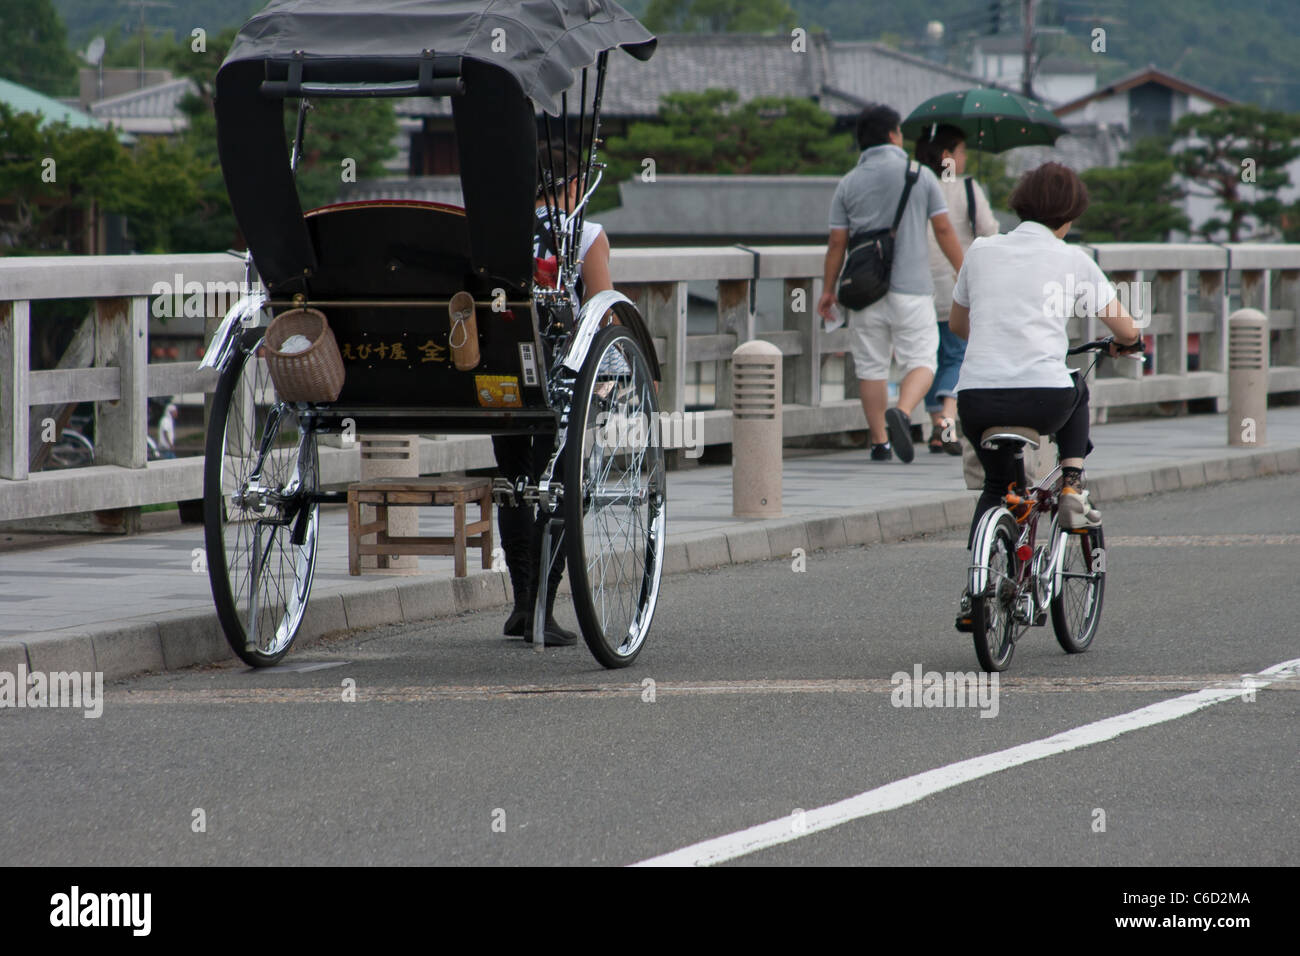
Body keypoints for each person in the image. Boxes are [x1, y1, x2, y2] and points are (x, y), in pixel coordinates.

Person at [948, 162, 1140, 561]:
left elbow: (957, 324)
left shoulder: (981, 250)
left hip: (975, 401)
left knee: (997, 486)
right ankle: (1071, 485)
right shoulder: (1073, 259)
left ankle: (978, 585)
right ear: (1070, 215)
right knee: (1078, 388)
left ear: (1021, 204)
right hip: (1043, 398)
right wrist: (1130, 343)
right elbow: (1126, 329)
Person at [493, 143, 612, 647]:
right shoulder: (584, 234)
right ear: (570, 186)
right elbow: (602, 311)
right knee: (561, 482)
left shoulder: (498, 233)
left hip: (499, 372)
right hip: (556, 379)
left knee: (515, 480)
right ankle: (543, 603)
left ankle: (522, 603)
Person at [818, 103, 965, 463]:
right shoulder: (920, 175)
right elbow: (943, 229)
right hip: (912, 289)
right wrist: (964, 269)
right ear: (893, 135)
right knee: (923, 360)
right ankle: (902, 410)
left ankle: (880, 443)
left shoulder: (848, 182)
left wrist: (827, 289)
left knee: (871, 367)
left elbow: (837, 242)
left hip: (865, 290)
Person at [913, 124, 999, 455]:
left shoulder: (915, 185)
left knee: (927, 356)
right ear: (947, 155)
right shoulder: (966, 188)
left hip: (916, 285)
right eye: (961, 151)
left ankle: (937, 426)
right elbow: (989, 231)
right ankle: (946, 423)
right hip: (954, 281)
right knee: (955, 354)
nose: (964, 158)